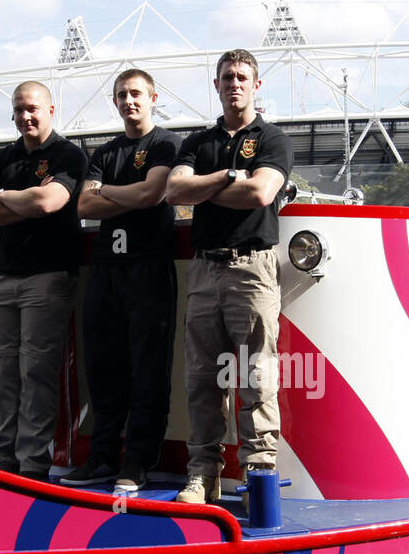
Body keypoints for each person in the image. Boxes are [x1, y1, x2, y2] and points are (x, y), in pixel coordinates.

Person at [164, 49, 293, 504]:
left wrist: (208, 186)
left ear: (257, 85)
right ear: (216, 85)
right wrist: (230, 175)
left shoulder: (274, 138)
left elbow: (260, 192)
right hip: (204, 269)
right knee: (202, 377)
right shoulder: (197, 142)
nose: (233, 83)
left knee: (256, 374)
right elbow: (174, 190)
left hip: (252, 267)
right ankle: (204, 475)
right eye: (226, 77)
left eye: (242, 77)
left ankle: (259, 473)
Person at [63, 69, 181, 492]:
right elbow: (83, 206)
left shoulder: (168, 144)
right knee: (103, 368)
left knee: (148, 370)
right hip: (105, 271)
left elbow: (153, 195)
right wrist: (124, 194)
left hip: (148, 268)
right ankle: (101, 458)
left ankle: (137, 462)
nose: (128, 101)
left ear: (152, 96)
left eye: (136, 93)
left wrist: (109, 193)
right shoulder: (104, 151)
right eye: (121, 95)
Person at [0, 80, 87, 480]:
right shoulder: (3, 156)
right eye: (19, 110)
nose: (26, 116)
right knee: (1, 372)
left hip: (48, 277)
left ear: (51, 110)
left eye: (33, 109)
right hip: (3, 277)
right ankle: (2, 459)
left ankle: (32, 466)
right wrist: (25, 199)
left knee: (37, 373)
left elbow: (50, 201)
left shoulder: (68, 155)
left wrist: (6, 197)